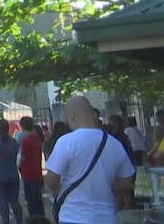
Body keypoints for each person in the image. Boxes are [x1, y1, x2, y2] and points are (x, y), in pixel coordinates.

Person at [45, 96, 135, 224]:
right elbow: (127, 183)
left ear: (71, 116)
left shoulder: (66, 142)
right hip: (106, 217)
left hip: (73, 216)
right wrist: (104, 186)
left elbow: (51, 180)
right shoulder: (115, 144)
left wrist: (60, 190)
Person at [0, 119, 22, 224]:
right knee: (15, 202)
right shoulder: (14, 142)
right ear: (8, 128)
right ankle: (19, 221)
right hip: (13, 174)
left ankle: (5, 222)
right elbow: (17, 156)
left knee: (3, 202)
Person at [18, 116, 45, 217]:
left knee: (31, 201)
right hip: (37, 171)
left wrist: (18, 165)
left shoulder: (25, 140)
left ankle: (34, 219)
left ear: (22, 126)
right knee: (38, 199)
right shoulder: (36, 138)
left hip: (28, 173)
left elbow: (23, 157)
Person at [108, 115, 135, 211]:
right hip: (128, 162)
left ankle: (121, 213)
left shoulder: (115, 136)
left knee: (119, 191)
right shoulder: (123, 135)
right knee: (126, 191)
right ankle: (128, 211)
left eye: (110, 122)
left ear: (115, 123)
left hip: (120, 163)